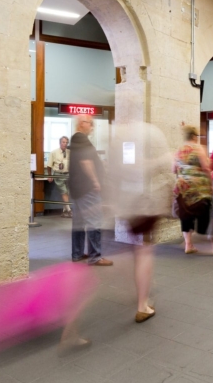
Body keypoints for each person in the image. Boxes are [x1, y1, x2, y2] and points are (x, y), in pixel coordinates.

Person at [108, 121, 174, 323]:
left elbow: (118, 170)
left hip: (129, 201)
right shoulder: (147, 133)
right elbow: (144, 168)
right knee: (144, 251)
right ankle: (142, 306)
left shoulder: (119, 137)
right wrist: (162, 161)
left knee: (136, 249)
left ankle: (140, 289)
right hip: (143, 202)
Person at [173, 125, 213, 255]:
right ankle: (204, 236)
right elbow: (206, 168)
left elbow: (173, 169)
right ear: (194, 136)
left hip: (182, 187)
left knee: (185, 215)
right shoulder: (198, 148)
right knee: (204, 210)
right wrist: (212, 184)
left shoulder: (179, 150)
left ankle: (188, 245)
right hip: (198, 188)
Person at [68, 115, 113, 266]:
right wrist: (95, 181)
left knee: (79, 223)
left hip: (77, 189)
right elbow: (86, 161)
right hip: (87, 188)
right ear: (82, 124)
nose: (92, 127)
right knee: (95, 221)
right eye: (90, 123)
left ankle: (77, 254)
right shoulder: (81, 138)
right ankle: (95, 257)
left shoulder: (76, 139)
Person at [49, 136, 72, 216]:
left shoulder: (69, 152)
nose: (65, 144)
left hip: (67, 174)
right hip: (58, 175)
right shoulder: (54, 152)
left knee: (67, 192)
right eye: (63, 142)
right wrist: (49, 176)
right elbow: (49, 166)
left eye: (66, 142)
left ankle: (64, 211)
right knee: (64, 192)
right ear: (60, 143)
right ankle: (69, 210)